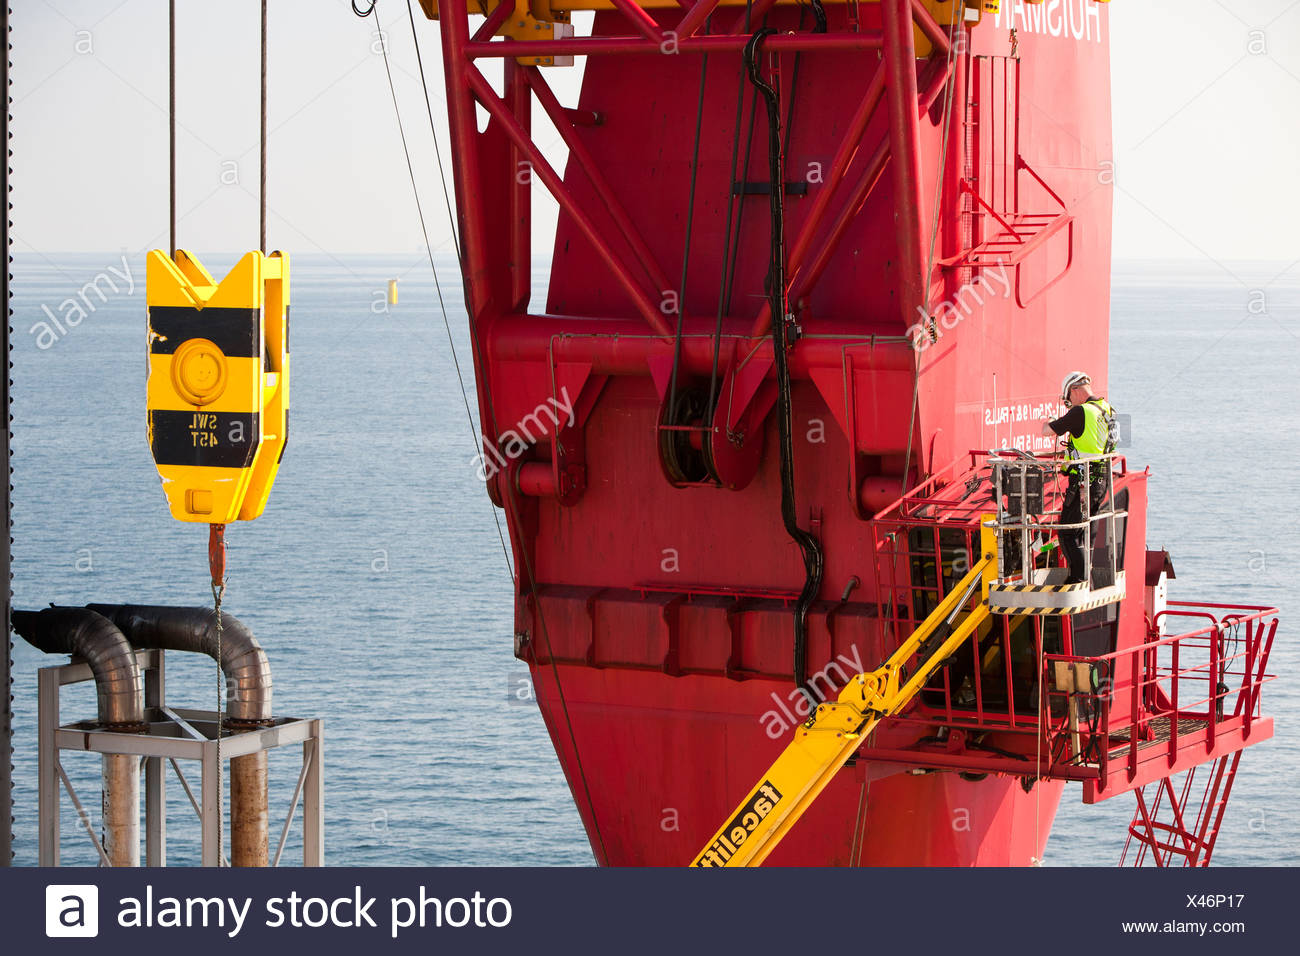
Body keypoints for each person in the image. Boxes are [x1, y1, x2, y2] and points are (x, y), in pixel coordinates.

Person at [1039, 371, 1119, 584]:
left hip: (1084, 481)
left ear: (1074, 390)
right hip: (1102, 479)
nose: (1070, 404)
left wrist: (1049, 419)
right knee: (1087, 530)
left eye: (1069, 400)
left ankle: (1078, 579)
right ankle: (1088, 575)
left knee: (1067, 531)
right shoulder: (1109, 410)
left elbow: (1047, 431)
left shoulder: (1082, 412)